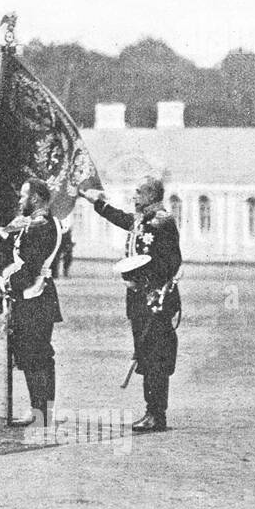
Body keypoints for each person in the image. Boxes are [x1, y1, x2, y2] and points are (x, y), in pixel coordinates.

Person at [80, 178, 182, 432]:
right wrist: (99, 204)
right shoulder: (142, 219)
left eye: (139, 193)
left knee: (156, 358)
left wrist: (144, 278)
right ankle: (152, 411)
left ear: (152, 196)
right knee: (146, 356)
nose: (134, 197)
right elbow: (123, 220)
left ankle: (156, 414)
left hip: (156, 299)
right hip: (139, 299)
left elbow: (171, 262)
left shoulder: (162, 221)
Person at [0, 178, 64, 425]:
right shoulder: (38, 222)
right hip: (34, 296)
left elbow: (31, 266)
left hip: (35, 295)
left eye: (23, 196)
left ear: (35, 198)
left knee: (37, 355)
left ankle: (42, 412)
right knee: (32, 355)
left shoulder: (39, 225)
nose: (20, 200)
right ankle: (40, 410)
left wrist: (5, 283)